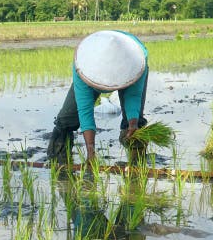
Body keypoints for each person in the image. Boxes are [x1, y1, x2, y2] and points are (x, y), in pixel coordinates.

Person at [46, 30, 149, 167]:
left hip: (130, 69)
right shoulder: (83, 65)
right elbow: (85, 110)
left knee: (136, 123)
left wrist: (133, 122)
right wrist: (90, 152)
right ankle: (59, 164)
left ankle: (137, 165)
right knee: (66, 119)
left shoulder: (136, 61)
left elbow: (133, 96)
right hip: (88, 75)